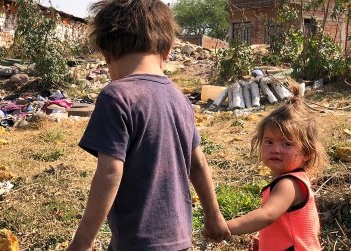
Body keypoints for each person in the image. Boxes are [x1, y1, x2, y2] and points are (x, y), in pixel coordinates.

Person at [67, 0, 230, 250]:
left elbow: (110, 172)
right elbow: (197, 163)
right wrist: (213, 215)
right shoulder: (179, 98)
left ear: (106, 54)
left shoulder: (116, 96)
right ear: (167, 50)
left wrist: (82, 242)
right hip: (179, 238)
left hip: (137, 242)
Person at [224, 84, 329, 250]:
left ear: (308, 153)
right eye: (269, 142)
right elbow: (284, 225)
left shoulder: (289, 184)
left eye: (287, 144)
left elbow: (267, 215)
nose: (276, 149)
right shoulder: (288, 180)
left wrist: (225, 227)